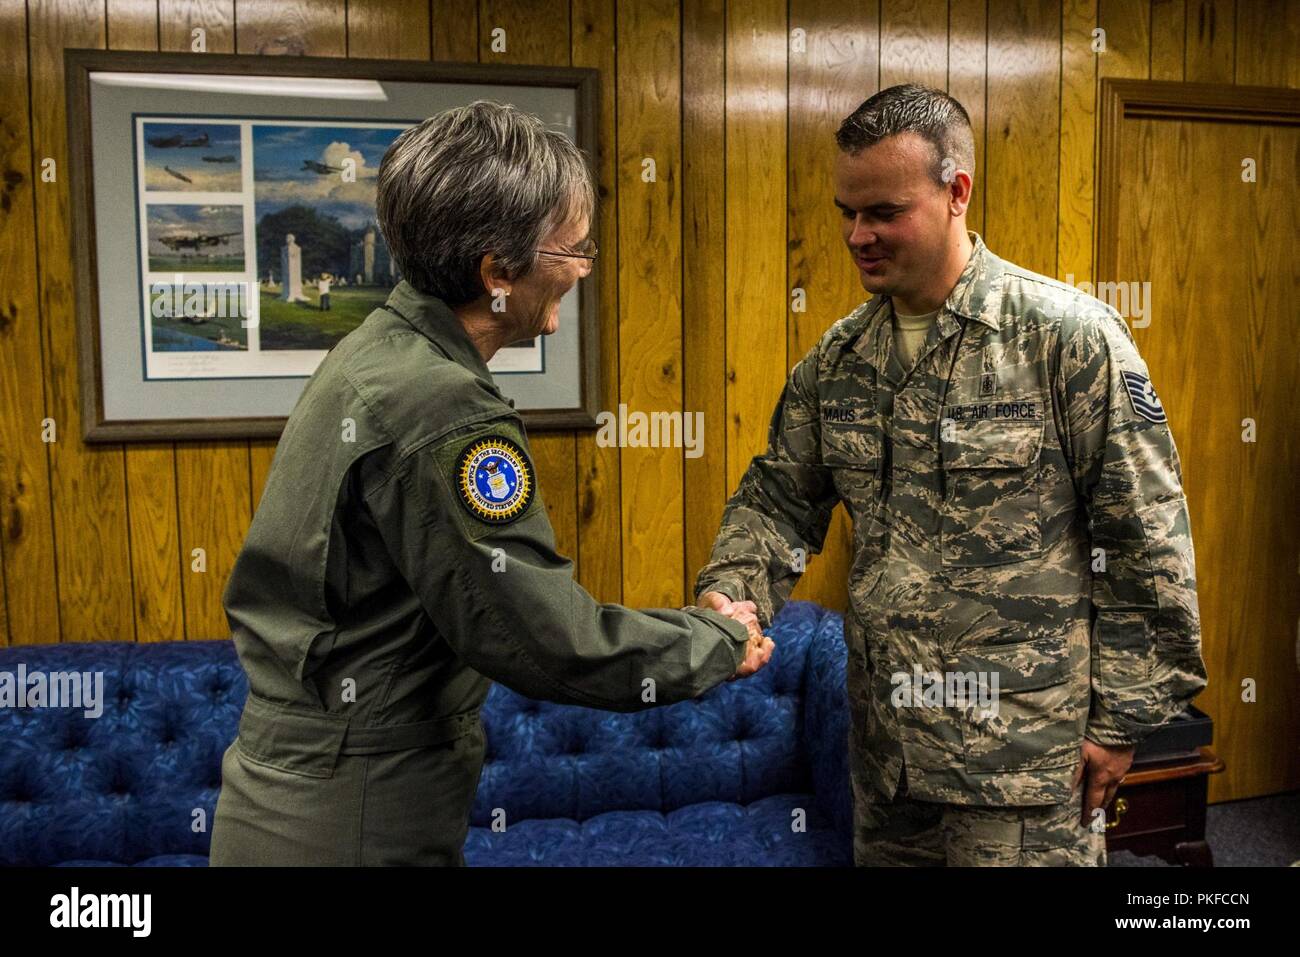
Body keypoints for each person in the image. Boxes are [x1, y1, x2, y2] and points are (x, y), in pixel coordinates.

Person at [211, 101, 773, 867]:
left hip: (308, 793)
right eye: (573, 249)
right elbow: (548, 640)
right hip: (354, 814)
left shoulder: (377, 350)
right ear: (498, 271)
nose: (581, 269)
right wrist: (716, 639)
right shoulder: (439, 405)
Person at [695, 84, 1207, 866]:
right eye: (847, 212)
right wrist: (736, 590)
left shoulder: (1066, 341)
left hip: (1022, 767)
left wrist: (1121, 722)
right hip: (888, 762)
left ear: (956, 191)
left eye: (884, 212)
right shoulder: (838, 362)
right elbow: (777, 500)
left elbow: (1145, 536)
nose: (858, 235)